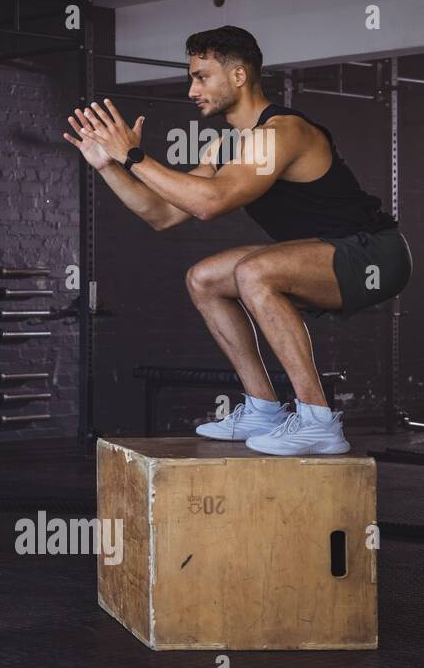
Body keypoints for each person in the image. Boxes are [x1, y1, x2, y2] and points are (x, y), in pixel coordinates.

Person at [64, 25, 410, 455]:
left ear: (239, 77)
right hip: (321, 251)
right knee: (205, 278)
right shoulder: (223, 149)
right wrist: (109, 166)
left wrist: (134, 155)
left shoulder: (282, 132)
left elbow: (212, 202)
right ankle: (263, 408)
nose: (192, 89)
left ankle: (318, 420)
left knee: (254, 272)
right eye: (191, 77)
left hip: (374, 253)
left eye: (202, 76)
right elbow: (164, 213)